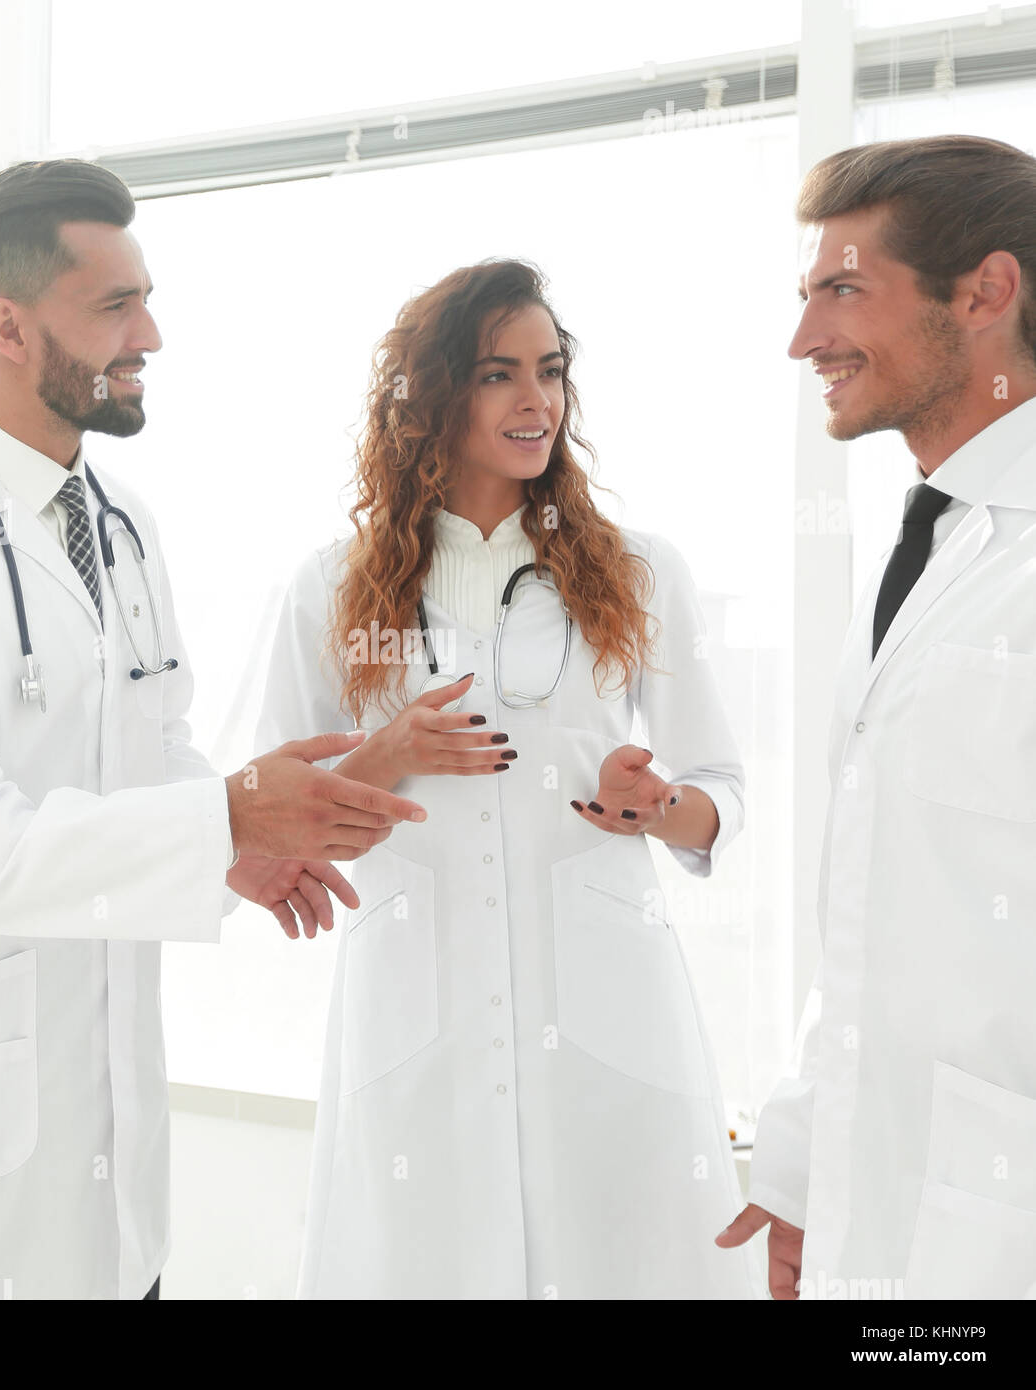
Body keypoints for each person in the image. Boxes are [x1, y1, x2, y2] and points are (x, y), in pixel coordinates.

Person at [0, 158, 425, 1300]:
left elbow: (153, 743)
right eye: (114, 307)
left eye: (145, 296)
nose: (152, 333)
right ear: (9, 326)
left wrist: (235, 837)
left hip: (109, 1177)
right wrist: (222, 815)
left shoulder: (123, 526)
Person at [255, 258, 759, 1299]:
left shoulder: (635, 569)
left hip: (607, 1009)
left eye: (551, 370)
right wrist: (383, 754)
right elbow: (269, 818)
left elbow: (720, 787)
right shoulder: (329, 589)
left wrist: (658, 808)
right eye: (498, 374)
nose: (537, 401)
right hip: (418, 1005)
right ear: (432, 396)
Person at [717, 134, 1036, 1300]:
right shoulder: (931, 544)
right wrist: (806, 1161)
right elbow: (884, 900)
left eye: (841, 291)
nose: (804, 340)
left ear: (985, 292)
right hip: (888, 1201)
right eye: (805, 298)